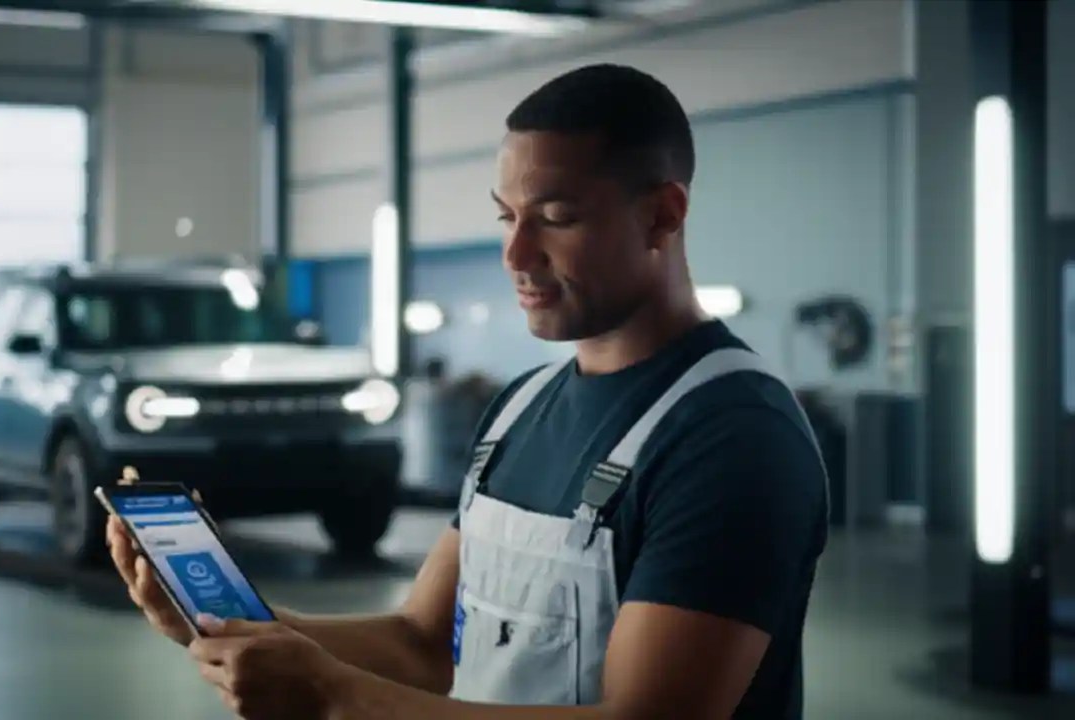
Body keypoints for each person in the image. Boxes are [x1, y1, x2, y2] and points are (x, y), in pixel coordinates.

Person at [108, 63, 828, 720]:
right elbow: (422, 643)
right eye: (506, 216)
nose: (515, 254)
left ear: (663, 215)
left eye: (555, 218)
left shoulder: (733, 435)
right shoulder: (518, 409)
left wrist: (332, 695)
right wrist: (232, 627)